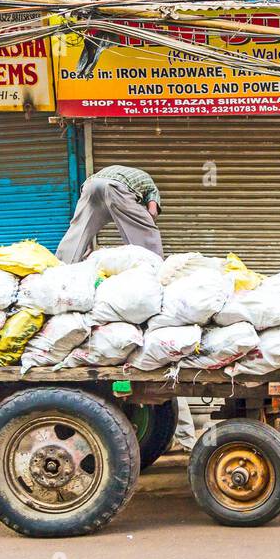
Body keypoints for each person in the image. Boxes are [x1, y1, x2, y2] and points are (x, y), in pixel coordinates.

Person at [55, 164, 197, 451]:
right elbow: (151, 215)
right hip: (116, 189)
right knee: (147, 237)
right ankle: (156, 270)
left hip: (90, 185)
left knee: (76, 235)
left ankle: (60, 271)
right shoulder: (150, 188)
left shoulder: (121, 173)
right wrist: (147, 214)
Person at [55, 164, 163, 263]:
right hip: (117, 187)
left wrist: (88, 245)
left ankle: (61, 267)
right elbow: (152, 212)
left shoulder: (120, 171)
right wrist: (146, 223)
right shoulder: (150, 186)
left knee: (78, 229)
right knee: (146, 230)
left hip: (90, 184)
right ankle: (152, 266)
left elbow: (88, 223)